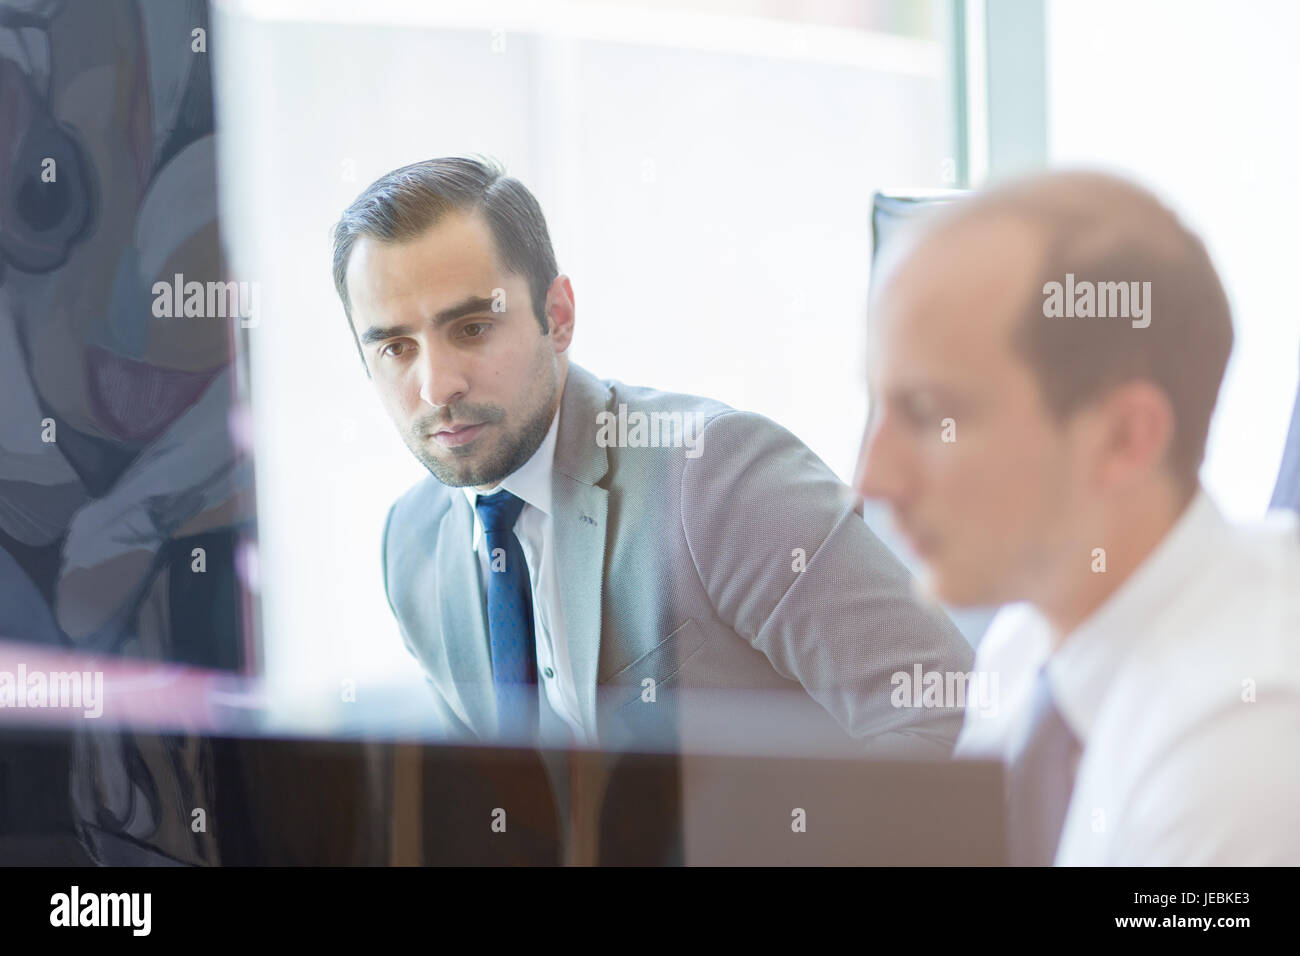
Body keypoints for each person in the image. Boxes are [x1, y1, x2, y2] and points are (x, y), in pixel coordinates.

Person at [331, 155, 972, 752]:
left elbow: (944, 714)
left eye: (471, 328)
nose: (438, 385)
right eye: (395, 347)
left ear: (557, 317)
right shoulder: (409, 545)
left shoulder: (712, 472)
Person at [854, 170, 1300, 864]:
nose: (871, 480)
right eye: (878, 407)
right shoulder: (1029, 638)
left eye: (931, 415)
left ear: (1125, 438)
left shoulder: (1245, 744)